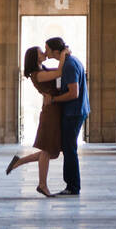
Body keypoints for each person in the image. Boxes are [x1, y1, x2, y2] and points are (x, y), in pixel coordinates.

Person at [5, 45, 71, 196]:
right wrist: (64, 54)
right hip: (50, 113)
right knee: (48, 151)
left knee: (51, 152)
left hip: (54, 109)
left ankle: (18, 162)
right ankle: (42, 185)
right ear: (35, 58)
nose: (44, 53)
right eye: (40, 52)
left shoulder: (43, 69)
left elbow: (59, 75)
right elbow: (60, 72)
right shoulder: (37, 74)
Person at [43, 36, 90, 195]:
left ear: (56, 51)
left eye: (47, 49)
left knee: (69, 148)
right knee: (69, 147)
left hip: (73, 112)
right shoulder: (71, 61)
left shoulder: (69, 65)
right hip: (76, 111)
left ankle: (72, 186)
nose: (45, 52)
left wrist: (54, 99)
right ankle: (71, 185)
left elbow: (73, 93)